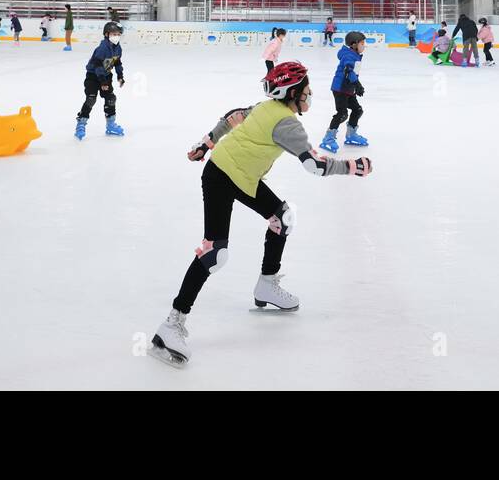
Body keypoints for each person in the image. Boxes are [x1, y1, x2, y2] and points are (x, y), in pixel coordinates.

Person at [149, 61, 374, 367]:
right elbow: (315, 166)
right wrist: (352, 166)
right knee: (215, 253)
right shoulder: (288, 125)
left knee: (282, 218)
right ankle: (170, 327)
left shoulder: (265, 107)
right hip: (222, 176)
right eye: (306, 90)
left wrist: (207, 142)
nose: (309, 95)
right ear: (293, 92)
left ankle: (266, 285)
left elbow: (232, 118)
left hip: (241, 176)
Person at [76, 21, 126, 140]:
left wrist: (120, 75)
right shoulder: (102, 48)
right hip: (93, 76)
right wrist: (103, 82)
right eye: (114, 34)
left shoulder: (118, 48)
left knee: (110, 99)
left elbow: (117, 62)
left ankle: (110, 124)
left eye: (118, 34)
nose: (116, 36)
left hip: (106, 76)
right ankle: (81, 124)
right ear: (106, 34)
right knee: (91, 99)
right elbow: (98, 66)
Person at [321, 30, 368, 151]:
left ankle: (351, 134)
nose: (364, 45)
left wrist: (355, 85)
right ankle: (328, 138)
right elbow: (348, 71)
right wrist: (357, 84)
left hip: (348, 88)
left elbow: (352, 73)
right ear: (353, 44)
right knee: (342, 114)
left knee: (357, 110)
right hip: (340, 88)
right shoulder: (348, 55)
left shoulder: (354, 54)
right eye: (362, 43)